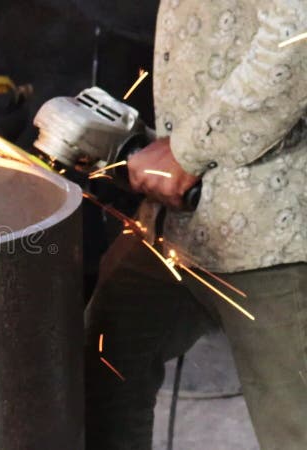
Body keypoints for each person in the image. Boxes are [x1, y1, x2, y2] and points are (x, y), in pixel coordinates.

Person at [85, 1, 307, 449]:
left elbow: (298, 37)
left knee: (294, 426)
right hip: (175, 224)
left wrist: (187, 151)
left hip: (270, 226)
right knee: (105, 357)